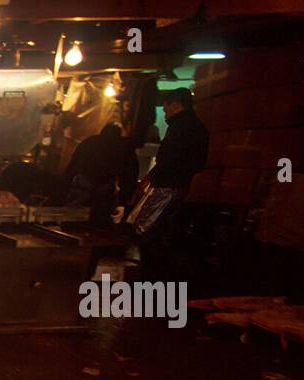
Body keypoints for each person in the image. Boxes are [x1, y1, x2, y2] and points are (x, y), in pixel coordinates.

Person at [135, 88, 209, 281]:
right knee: (163, 232)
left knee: (146, 229)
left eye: (166, 109)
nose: (166, 113)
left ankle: (151, 278)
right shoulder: (200, 128)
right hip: (182, 186)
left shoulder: (180, 127)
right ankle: (158, 278)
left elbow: (167, 158)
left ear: (176, 104)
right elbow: (199, 162)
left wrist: (152, 177)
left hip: (167, 186)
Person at [64, 124, 139, 225]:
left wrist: (63, 187)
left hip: (84, 181)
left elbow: (73, 165)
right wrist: (123, 200)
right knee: (98, 218)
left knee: (74, 215)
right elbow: (129, 176)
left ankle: (71, 230)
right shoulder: (123, 147)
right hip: (105, 185)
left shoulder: (90, 142)